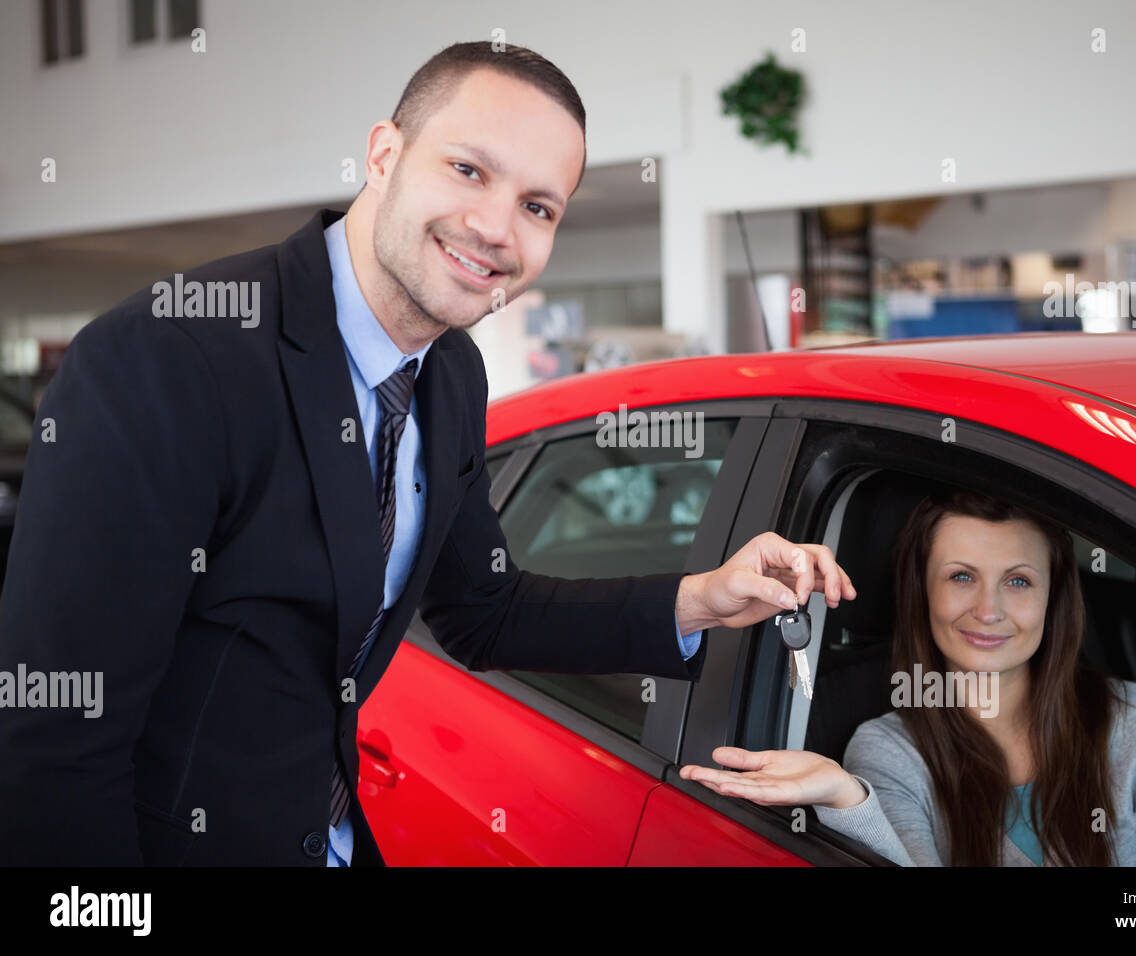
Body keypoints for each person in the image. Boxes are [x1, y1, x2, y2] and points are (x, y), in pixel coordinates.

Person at [0, 41, 857, 867]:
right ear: (383, 155)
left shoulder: (450, 374)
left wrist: (700, 598)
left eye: (538, 206)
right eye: (468, 169)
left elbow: (484, 610)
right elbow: (56, 737)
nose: (494, 226)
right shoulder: (170, 354)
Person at [682, 489, 1136, 866]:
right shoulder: (889, 752)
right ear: (923, 593)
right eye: (961, 577)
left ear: (1054, 599)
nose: (988, 609)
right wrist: (847, 799)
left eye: (1018, 581)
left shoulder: (1134, 720)